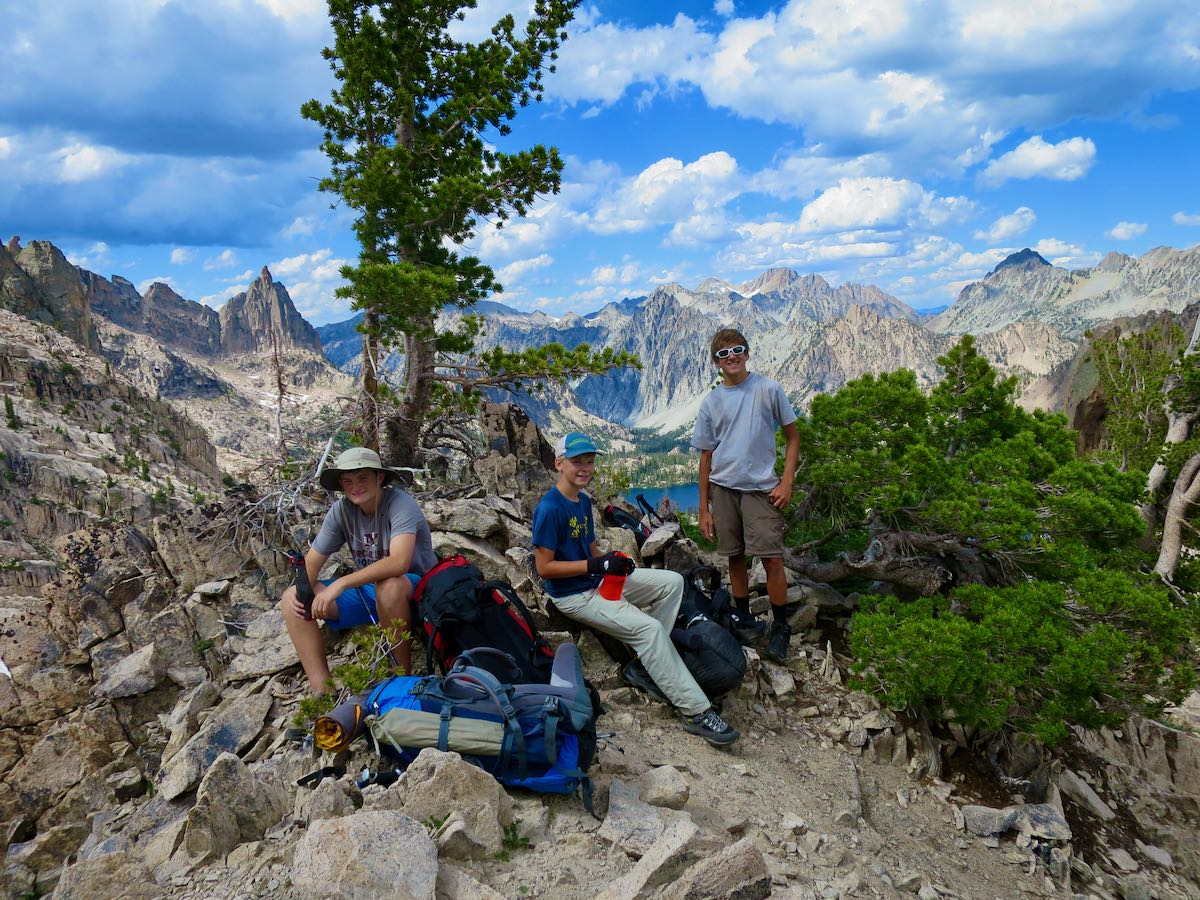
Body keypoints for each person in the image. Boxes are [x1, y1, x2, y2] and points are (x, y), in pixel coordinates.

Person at [532, 431, 739, 747]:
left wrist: (611, 560)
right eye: (577, 461)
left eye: (589, 461)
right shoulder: (550, 508)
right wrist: (595, 567)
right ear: (559, 463)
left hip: (596, 580)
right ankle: (696, 712)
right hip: (574, 595)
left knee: (672, 583)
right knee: (650, 630)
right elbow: (544, 567)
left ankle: (649, 666)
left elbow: (590, 550)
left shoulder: (582, 501)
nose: (585, 467)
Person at [281, 446, 437, 694]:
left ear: (379, 477)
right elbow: (311, 563)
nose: (356, 486)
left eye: (363, 477)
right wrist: (307, 591)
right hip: (371, 591)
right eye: (348, 480)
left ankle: (400, 679)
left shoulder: (400, 504)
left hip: (417, 588)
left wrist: (341, 584)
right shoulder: (341, 511)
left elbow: (399, 563)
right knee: (291, 598)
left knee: (389, 585)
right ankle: (324, 692)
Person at [692, 329, 801, 663]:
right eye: (723, 354)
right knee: (735, 556)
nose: (731, 357)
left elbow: (793, 437)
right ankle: (743, 618)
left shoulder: (768, 389)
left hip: (759, 488)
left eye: (737, 350)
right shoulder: (711, 402)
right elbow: (706, 457)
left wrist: (786, 482)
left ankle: (781, 626)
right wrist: (704, 508)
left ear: (747, 353)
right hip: (723, 489)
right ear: (715, 363)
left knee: (771, 557)